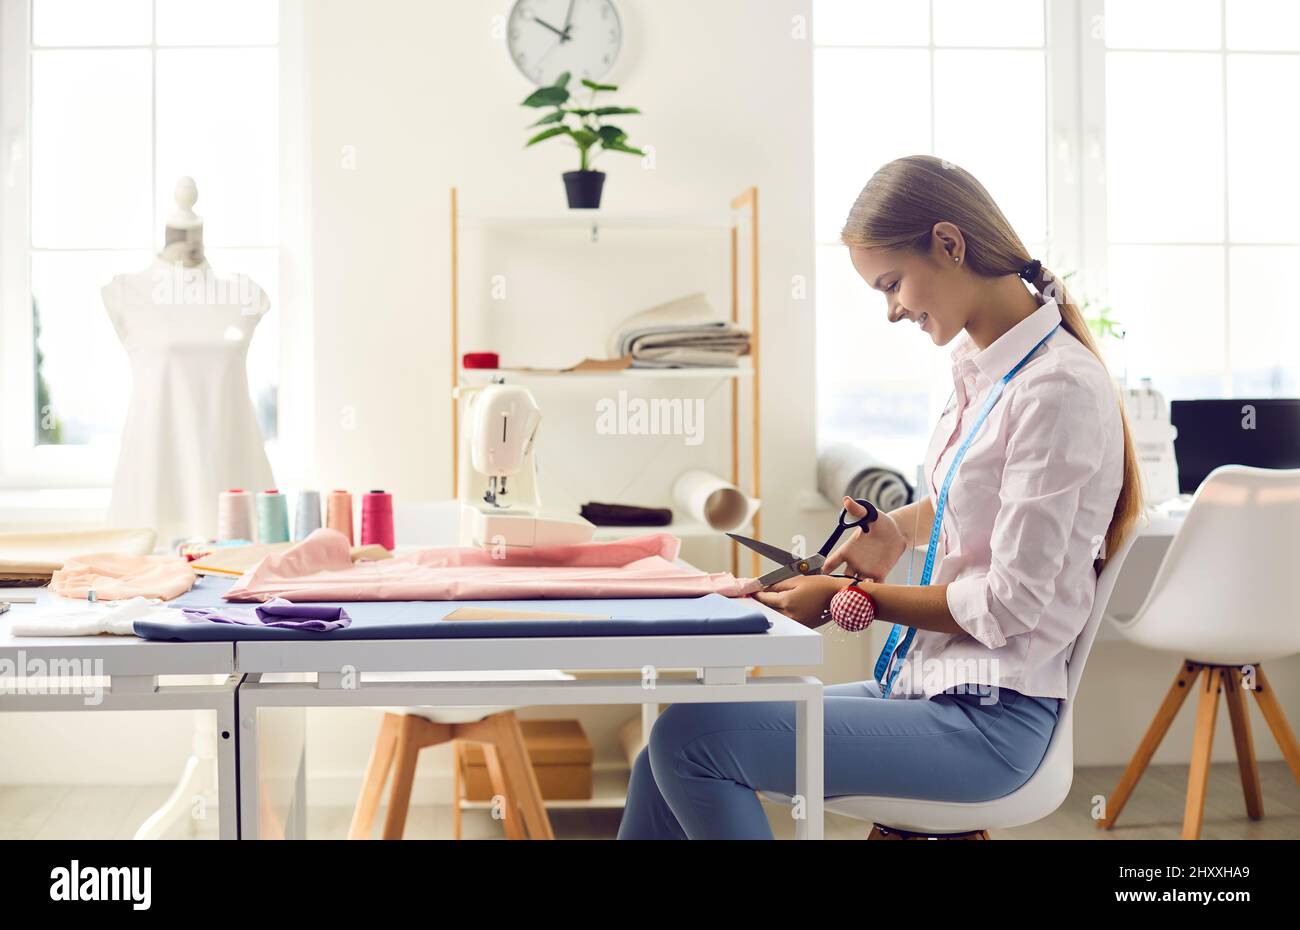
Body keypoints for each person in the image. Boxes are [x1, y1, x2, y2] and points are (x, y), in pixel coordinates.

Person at [617, 155, 1141, 840]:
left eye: (892, 284)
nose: (893, 310)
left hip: (991, 722)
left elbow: (1011, 604)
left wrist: (840, 601)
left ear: (950, 244)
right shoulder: (980, 370)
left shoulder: (1056, 389)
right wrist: (895, 527)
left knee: (691, 740)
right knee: (662, 749)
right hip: (928, 691)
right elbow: (969, 499)